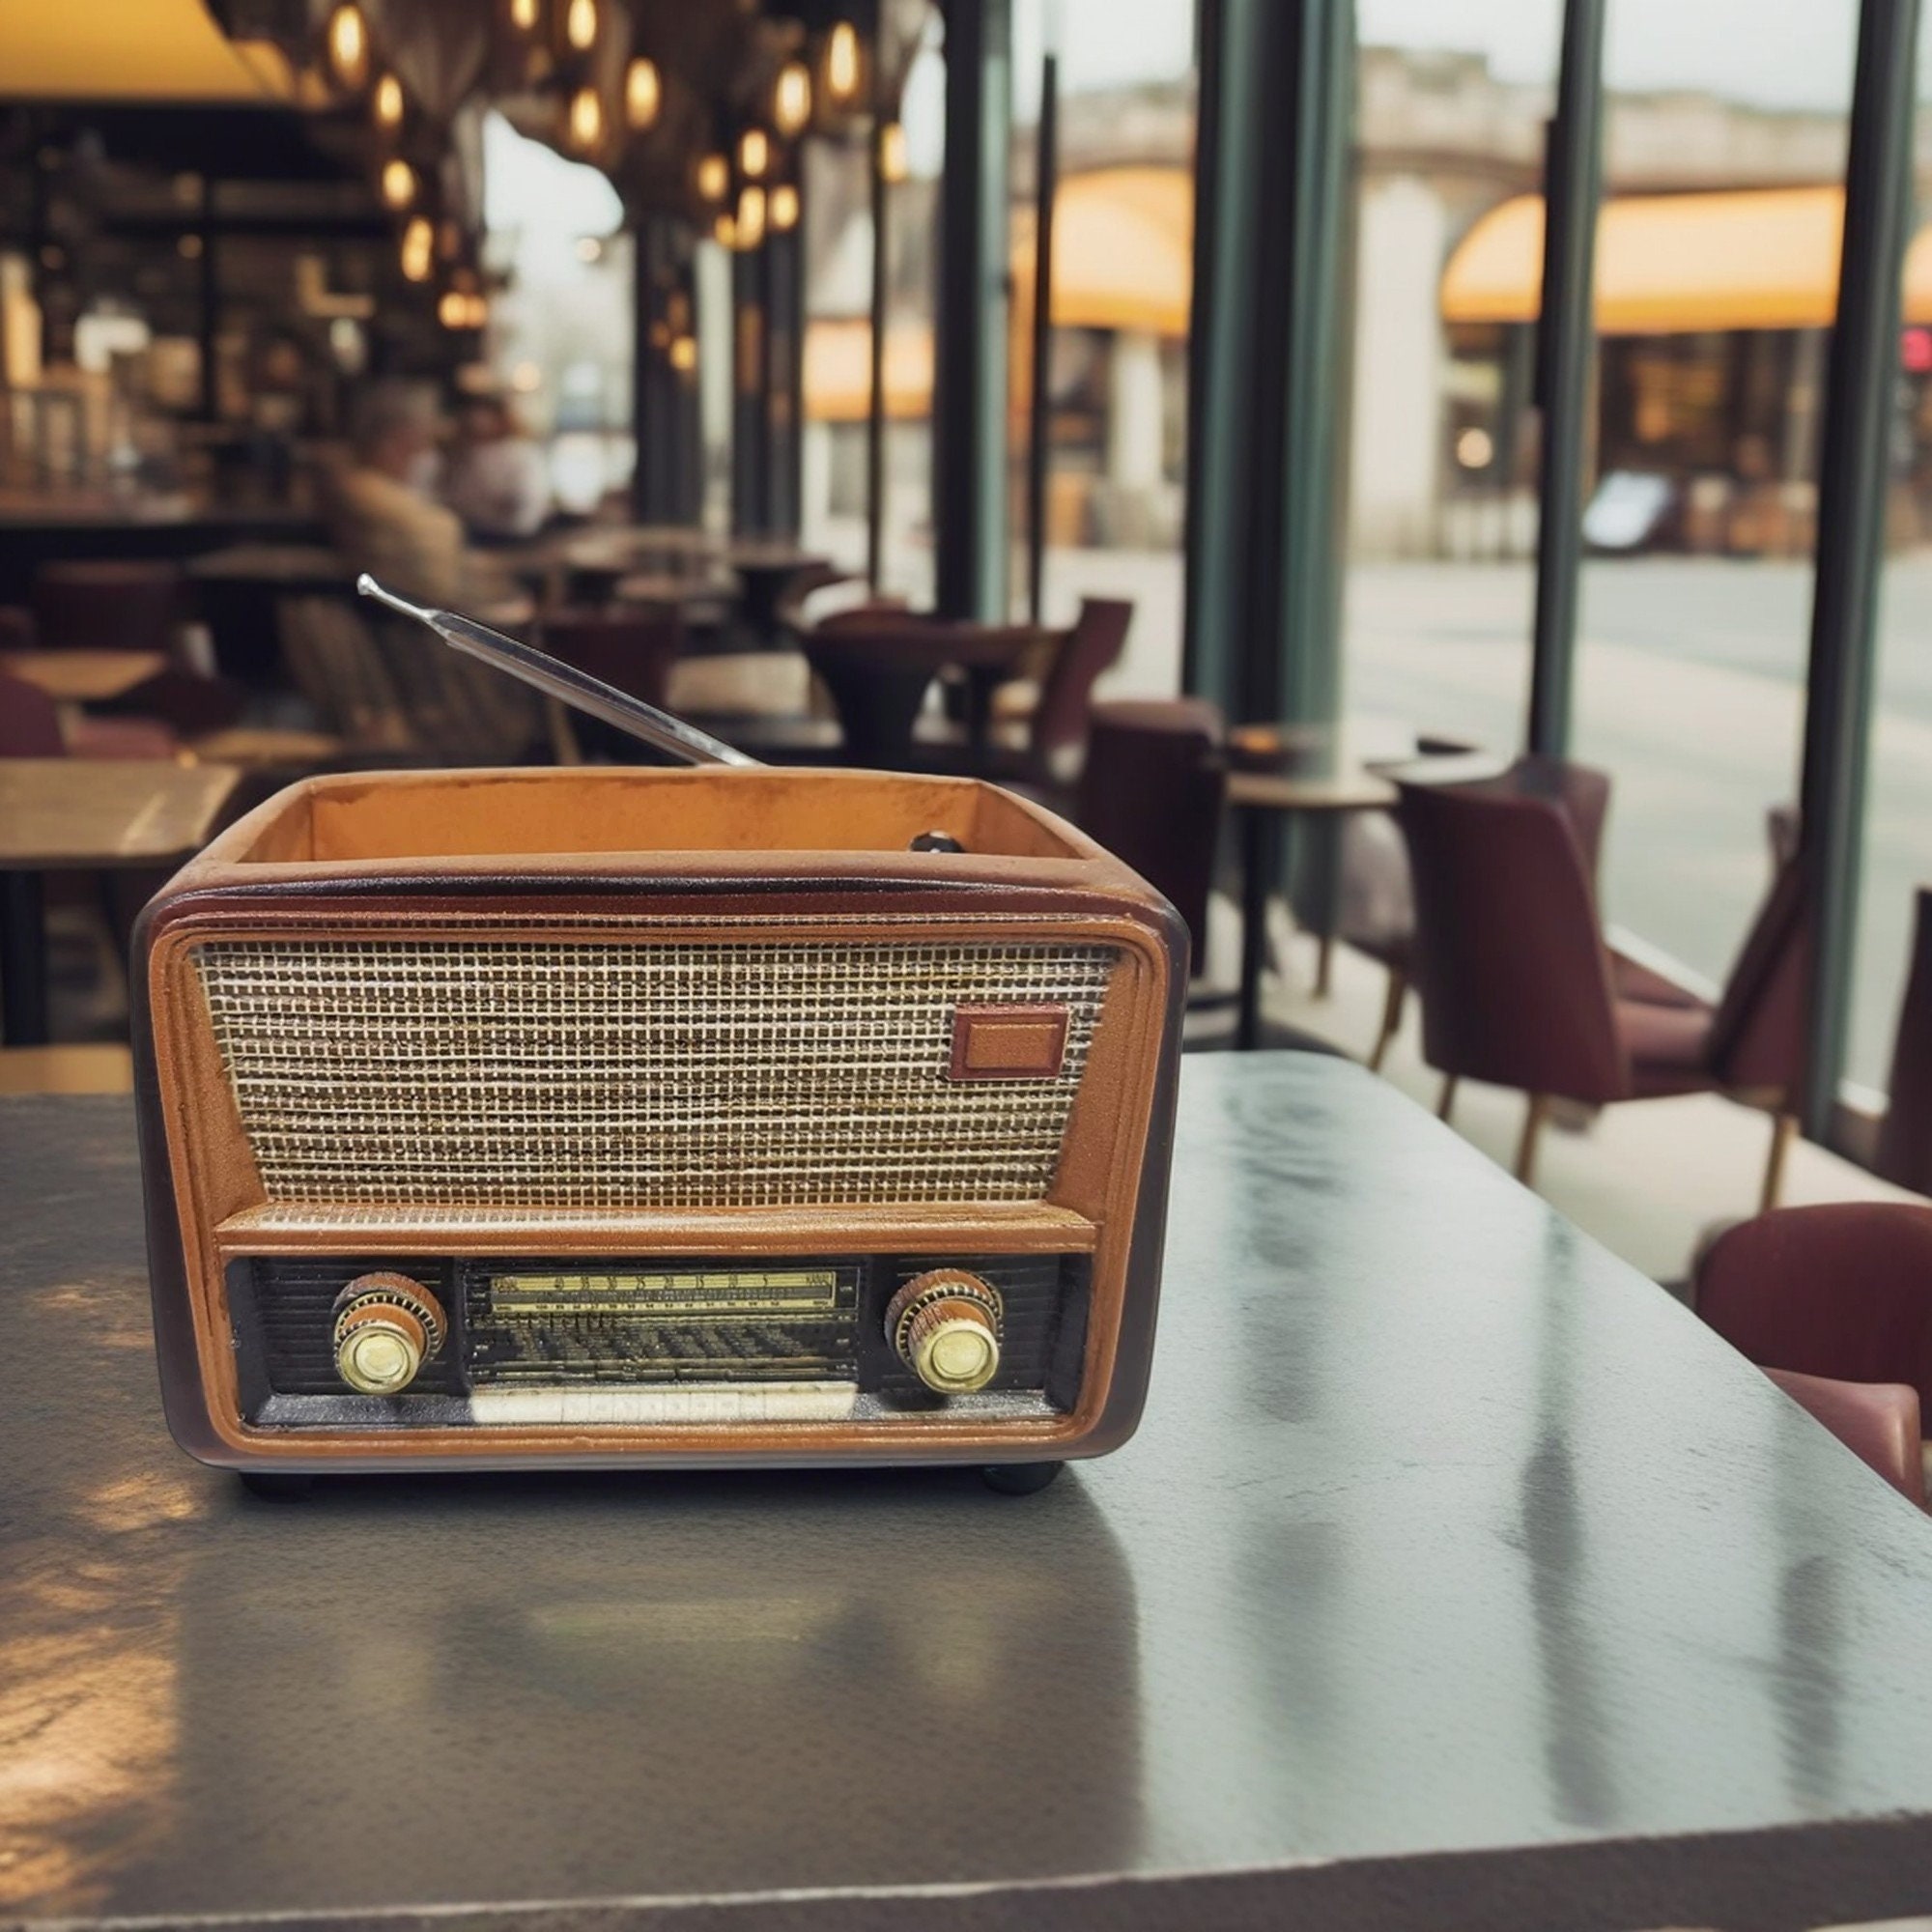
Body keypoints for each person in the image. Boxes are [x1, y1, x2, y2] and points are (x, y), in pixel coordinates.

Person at [325, 380, 501, 608]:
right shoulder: (427, 526)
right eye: (426, 438)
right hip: (407, 634)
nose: (429, 449)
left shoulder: (348, 484)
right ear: (401, 438)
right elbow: (441, 602)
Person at [441, 393, 552, 542]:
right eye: (472, 414)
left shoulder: (522, 453)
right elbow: (450, 500)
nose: (477, 421)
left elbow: (520, 501)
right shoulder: (459, 454)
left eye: (485, 414)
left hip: (513, 537)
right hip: (467, 534)